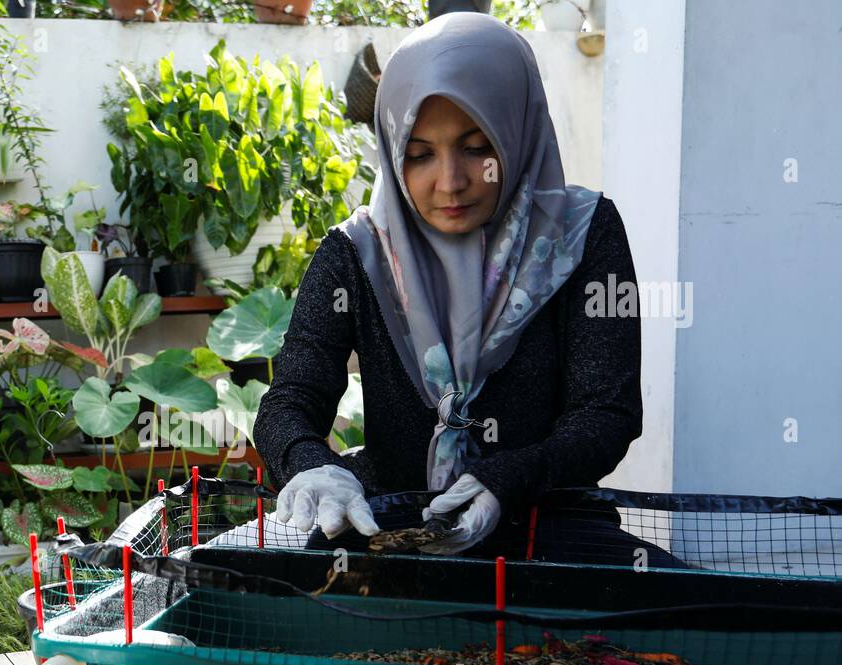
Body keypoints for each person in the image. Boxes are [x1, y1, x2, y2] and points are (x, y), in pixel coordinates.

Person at [254, 12, 683, 569]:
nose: (451, 181)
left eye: (477, 147)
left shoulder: (581, 234)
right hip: (386, 535)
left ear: (516, 130)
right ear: (391, 150)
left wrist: (507, 479)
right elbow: (289, 401)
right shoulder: (356, 253)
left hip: (546, 534)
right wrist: (314, 466)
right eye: (419, 154)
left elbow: (605, 413)